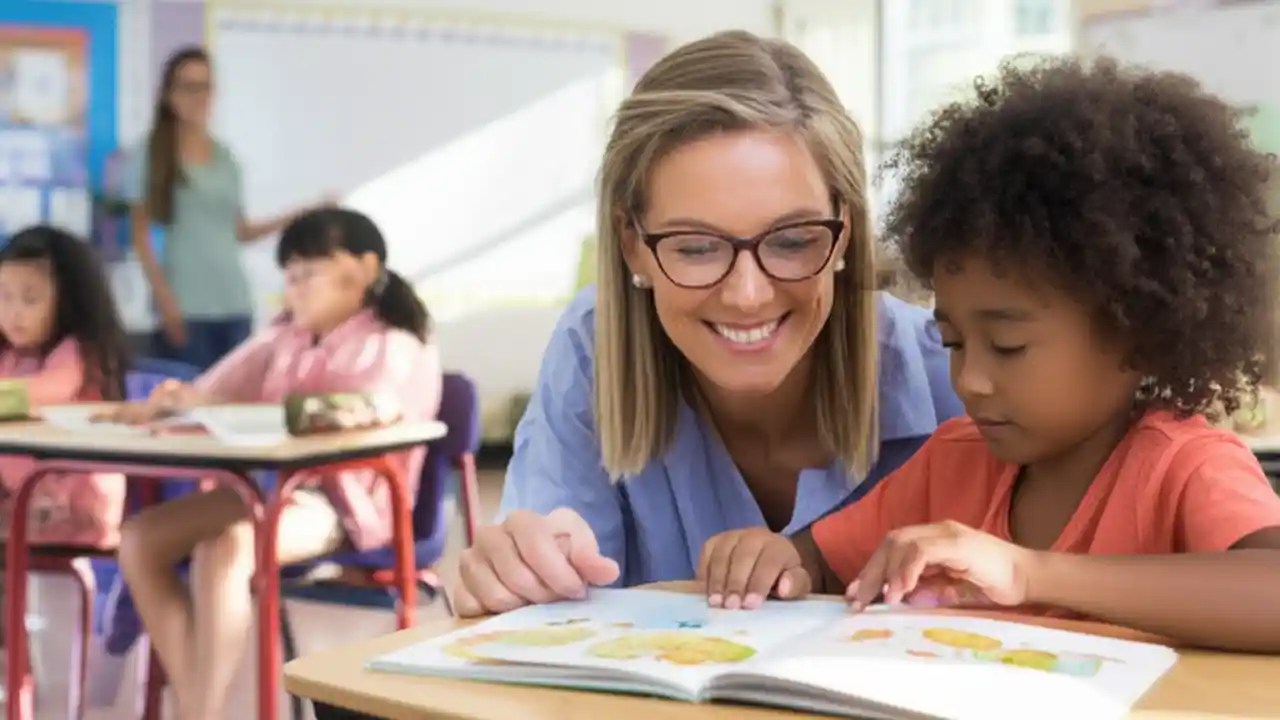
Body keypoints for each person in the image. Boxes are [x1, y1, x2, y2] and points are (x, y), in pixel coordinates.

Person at [698, 57, 1280, 652]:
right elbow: (815, 563)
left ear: (1138, 330)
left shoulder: (1186, 468)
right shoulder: (950, 463)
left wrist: (1028, 572)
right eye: (952, 342)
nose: (970, 381)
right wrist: (772, 559)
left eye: (1008, 346)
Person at [452, 30, 963, 618]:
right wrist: (513, 576)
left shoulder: (954, 370)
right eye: (695, 248)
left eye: (793, 240)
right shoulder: (592, 351)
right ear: (632, 246)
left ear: (844, 232)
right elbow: (554, 622)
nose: (748, 295)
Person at [112, 208, 442, 720]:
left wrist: (246, 412)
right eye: (289, 276)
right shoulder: (285, 336)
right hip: (273, 490)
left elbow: (369, 411)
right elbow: (214, 388)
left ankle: (199, 713)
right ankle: (202, 708)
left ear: (363, 270)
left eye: (309, 274)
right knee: (140, 537)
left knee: (228, 547)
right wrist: (177, 399)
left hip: (345, 504)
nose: (296, 289)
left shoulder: (392, 342)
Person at [124, 46, 329, 370]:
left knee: (234, 403)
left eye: (206, 86)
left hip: (234, 302)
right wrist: (165, 301)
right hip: (186, 306)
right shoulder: (150, 154)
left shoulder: (225, 157)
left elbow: (241, 232)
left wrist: (303, 214)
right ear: (169, 95)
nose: (199, 96)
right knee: (188, 405)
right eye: (189, 87)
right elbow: (140, 237)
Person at [0, 226, 130, 549]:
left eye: (30, 299)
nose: (13, 313)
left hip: (77, 508)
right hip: (24, 501)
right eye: (3, 296)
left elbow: (43, 392)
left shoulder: (79, 353)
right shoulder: (12, 355)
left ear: (67, 300)